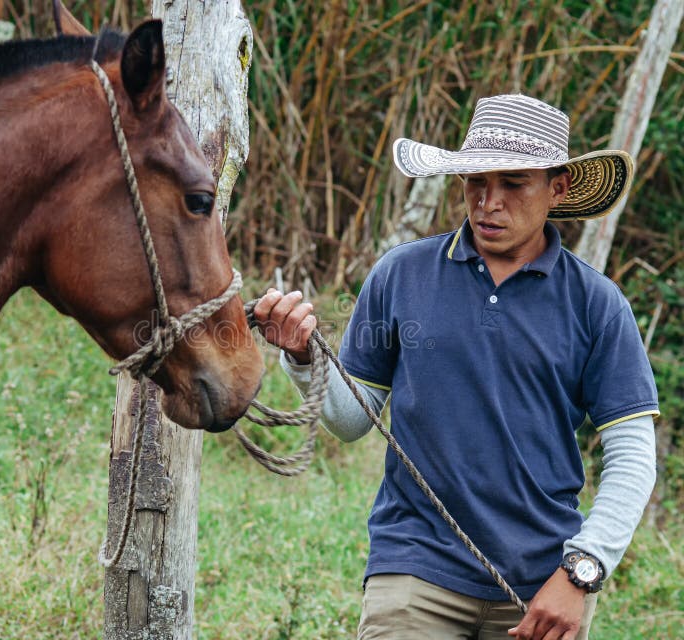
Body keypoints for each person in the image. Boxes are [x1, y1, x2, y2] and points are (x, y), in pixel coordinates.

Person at [253, 94, 658, 640]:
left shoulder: (597, 304)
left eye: (513, 183)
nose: (488, 202)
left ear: (557, 188)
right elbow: (352, 420)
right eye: (474, 181)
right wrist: (302, 355)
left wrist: (581, 572)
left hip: (542, 587)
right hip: (415, 567)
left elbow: (632, 458)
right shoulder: (401, 275)